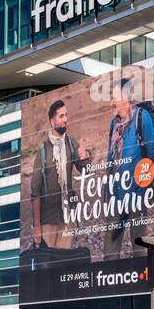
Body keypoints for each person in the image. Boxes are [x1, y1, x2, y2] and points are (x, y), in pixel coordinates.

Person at [105, 75, 154, 258]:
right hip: (115, 197)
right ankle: (110, 285)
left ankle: (144, 283)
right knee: (110, 250)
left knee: (139, 248)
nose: (111, 103)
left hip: (136, 194)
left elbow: (152, 152)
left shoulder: (141, 118)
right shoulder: (114, 124)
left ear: (125, 98)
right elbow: (110, 156)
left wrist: (141, 184)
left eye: (114, 97)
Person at [29, 98, 88, 250]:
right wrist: (37, 226)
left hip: (67, 215)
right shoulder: (42, 151)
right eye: (61, 116)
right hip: (48, 217)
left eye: (66, 115)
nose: (65, 120)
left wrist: (84, 157)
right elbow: (35, 192)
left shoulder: (71, 142)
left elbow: (84, 169)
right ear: (52, 121)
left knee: (63, 262)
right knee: (48, 262)